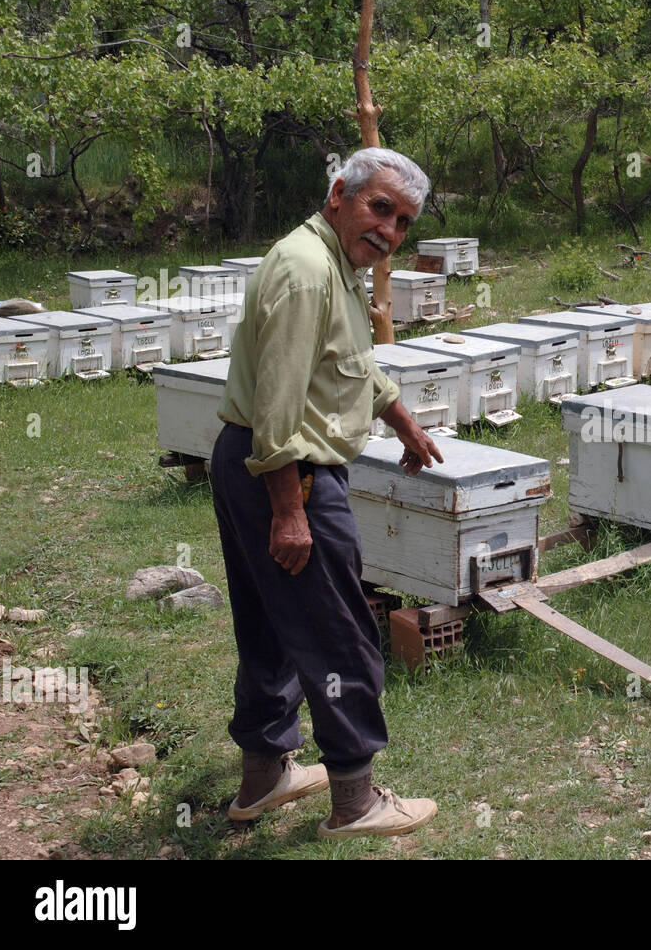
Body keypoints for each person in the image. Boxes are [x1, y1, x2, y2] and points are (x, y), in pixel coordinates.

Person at [210, 147, 445, 839]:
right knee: (338, 631)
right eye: (380, 209)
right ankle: (355, 800)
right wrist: (289, 509)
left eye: (403, 221)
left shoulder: (332, 264)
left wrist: (401, 418)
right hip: (290, 474)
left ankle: (266, 775)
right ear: (338, 192)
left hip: (256, 465)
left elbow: (347, 365)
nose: (389, 231)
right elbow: (279, 404)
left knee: (270, 627)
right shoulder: (309, 272)